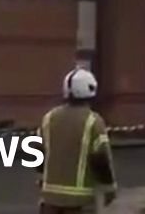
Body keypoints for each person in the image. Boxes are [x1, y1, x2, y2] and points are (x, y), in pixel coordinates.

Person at [37, 68, 117, 214]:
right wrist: (109, 187)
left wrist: (42, 178)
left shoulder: (49, 118)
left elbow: (36, 153)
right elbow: (100, 159)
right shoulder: (93, 121)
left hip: (49, 200)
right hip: (80, 202)